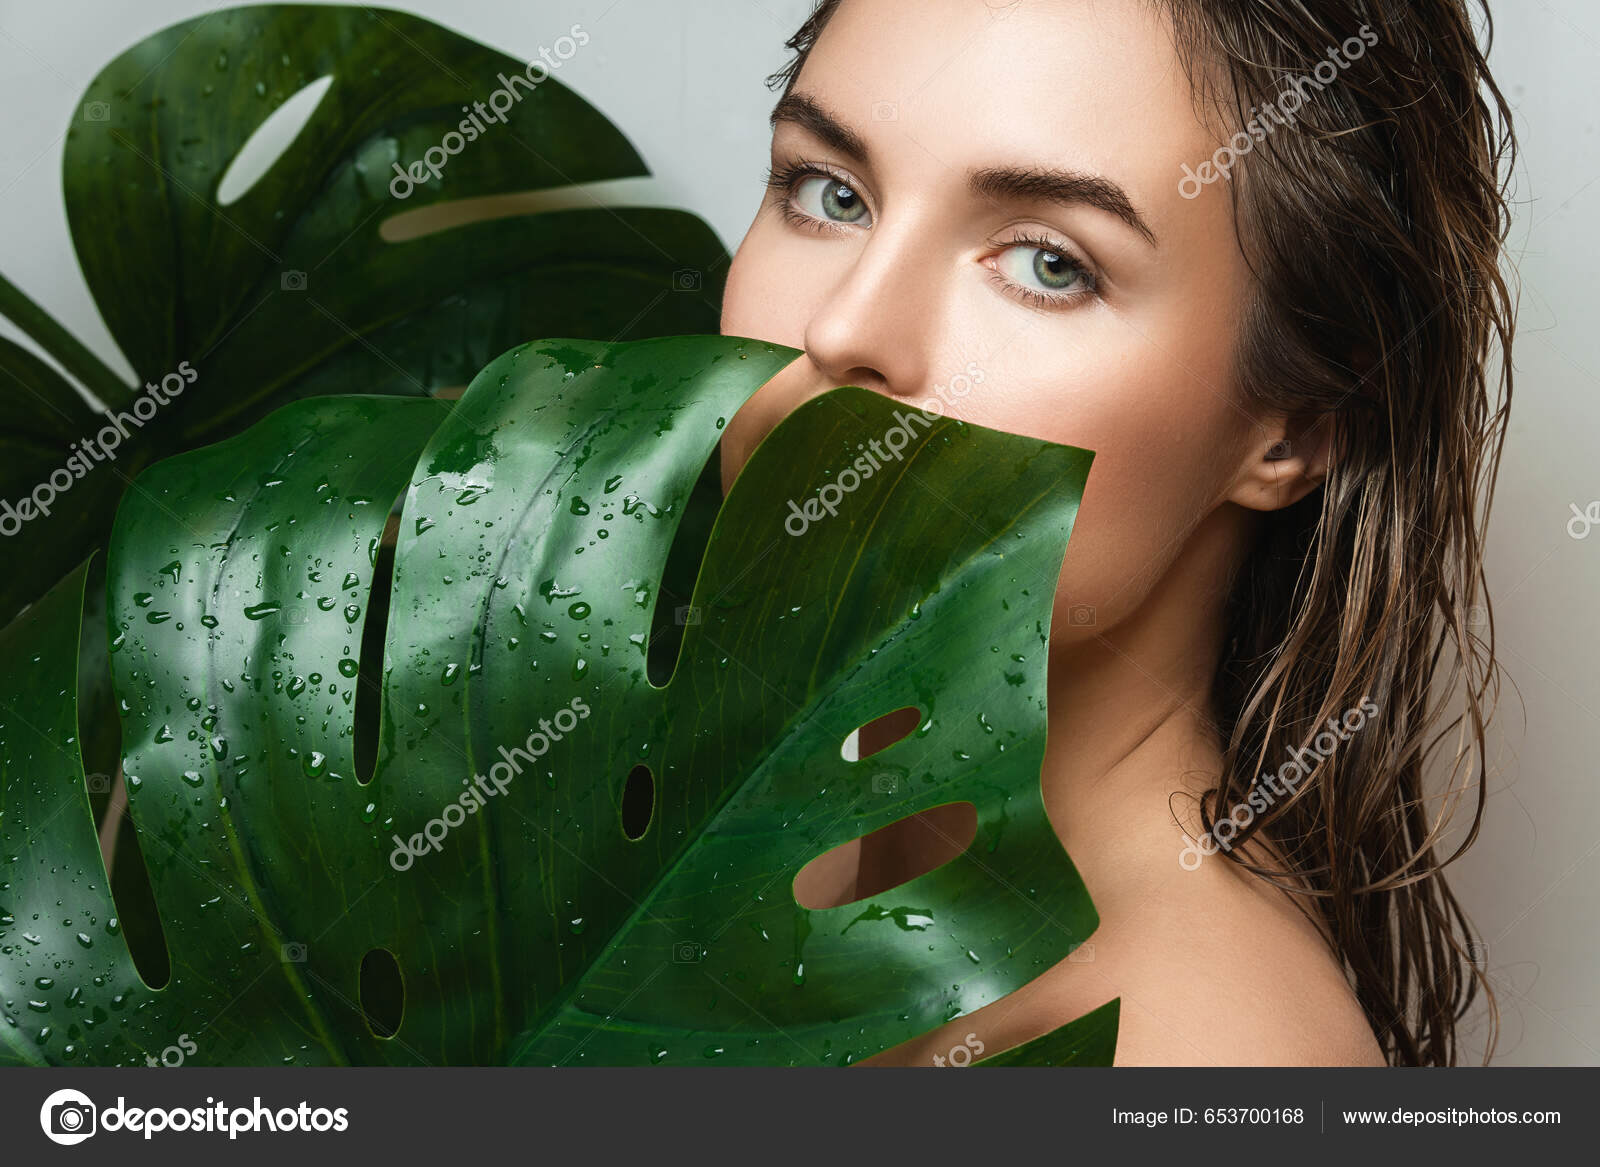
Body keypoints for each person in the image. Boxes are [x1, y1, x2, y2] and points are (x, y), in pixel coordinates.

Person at [717, 0, 1515, 1066]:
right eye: (831, 194)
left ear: (1295, 432)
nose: (844, 330)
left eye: (1049, 264)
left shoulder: (1215, 1067)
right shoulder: (761, 860)